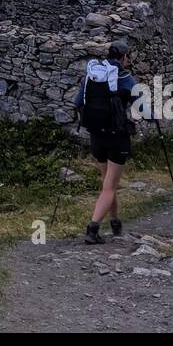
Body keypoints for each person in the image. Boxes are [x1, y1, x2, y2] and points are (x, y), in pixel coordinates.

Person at [73, 38, 149, 244]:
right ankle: (93, 229)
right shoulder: (126, 79)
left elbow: (77, 102)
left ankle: (115, 222)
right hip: (117, 138)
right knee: (109, 186)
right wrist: (155, 116)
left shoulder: (92, 75)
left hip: (96, 136)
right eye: (127, 57)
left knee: (108, 182)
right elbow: (143, 109)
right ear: (124, 58)